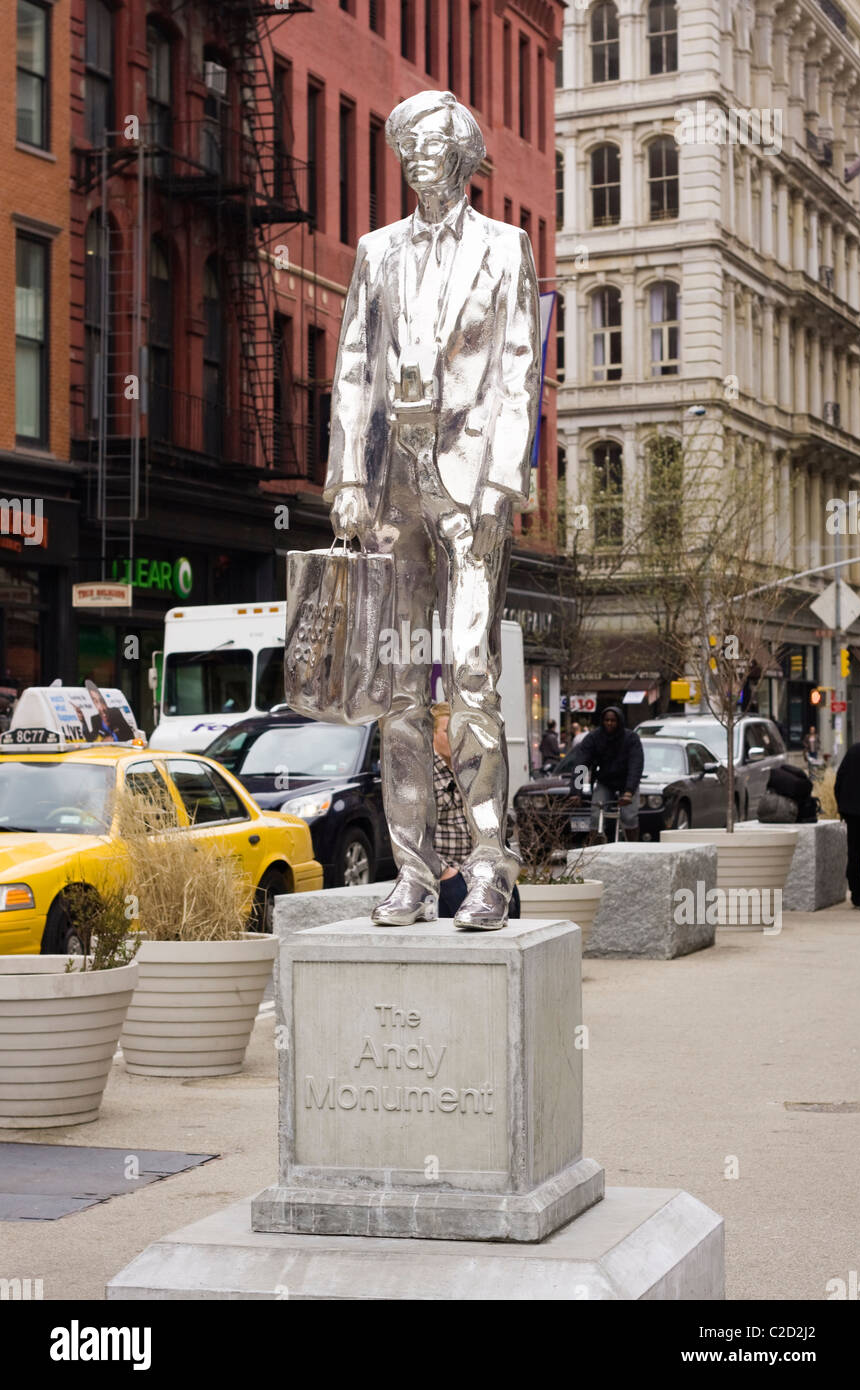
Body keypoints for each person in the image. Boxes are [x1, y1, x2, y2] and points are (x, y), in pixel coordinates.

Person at [326, 90, 540, 930]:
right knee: (399, 695)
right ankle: (414, 871)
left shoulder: (504, 246)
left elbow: (519, 368)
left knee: (472, 679)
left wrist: (498, 487)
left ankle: (488, 866)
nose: (415, 159)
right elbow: (352, 366)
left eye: (429, 146)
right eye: (404, 146)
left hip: (466, 490)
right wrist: (347, 476)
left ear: (462, 157)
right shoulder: (375, 253)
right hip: (392, 494)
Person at [432, 702, 520, 920]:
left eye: (460, 732)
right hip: (450, 874)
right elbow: (415, 836)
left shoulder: (470, 770)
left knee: (513, 912)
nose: (455, 738)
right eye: (447, 731)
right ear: (431, 735)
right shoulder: (425, 777)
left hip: (480, 869)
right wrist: (445, 873)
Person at [576, 704, 644, 843]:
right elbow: (582, 764)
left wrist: (629, 792)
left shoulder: (631, 738)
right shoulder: (594, 738)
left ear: (619, 721)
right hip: (606, 781)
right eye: (607, 720)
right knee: (596, 813)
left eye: (613, 720)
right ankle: (595, 847)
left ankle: (633, 845)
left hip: (627, 782)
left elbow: (635, 765)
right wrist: (575, 790)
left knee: (629, 816)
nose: (609, 723)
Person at [833, 737, 860, 910]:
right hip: (854, 809)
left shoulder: (853, 751)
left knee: (855, 852)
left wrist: (842, 806)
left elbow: (840, 780)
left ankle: (857, 893)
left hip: (853, 812)